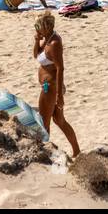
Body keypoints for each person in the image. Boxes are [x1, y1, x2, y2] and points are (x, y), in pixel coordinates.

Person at [32, 14, 80, 157]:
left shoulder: (54, 43)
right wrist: (36, 41)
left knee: (44, 122)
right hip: (49, 87)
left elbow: (60, 68)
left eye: (38, 26)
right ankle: (76, 151)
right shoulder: (46, 39)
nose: (36, 29)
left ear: (46, 26)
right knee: (59, 120)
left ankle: (45, 154)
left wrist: (59, 95)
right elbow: (36, 55)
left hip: (50, 88)